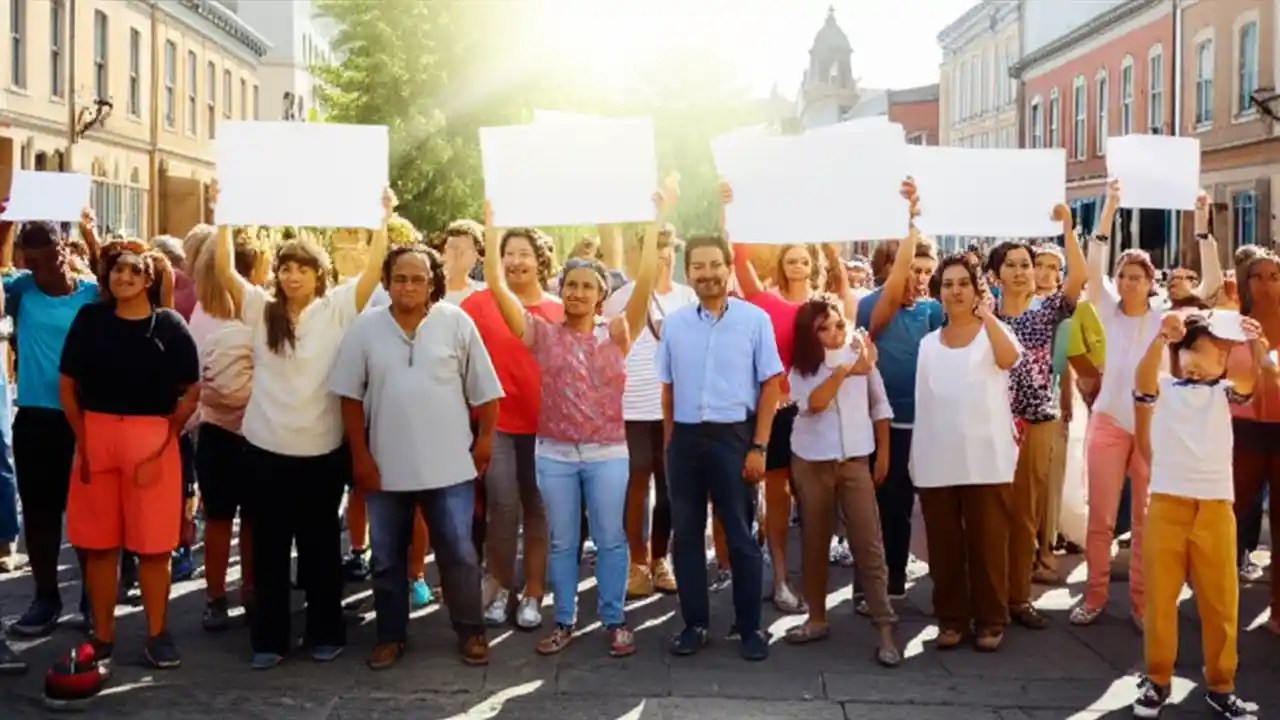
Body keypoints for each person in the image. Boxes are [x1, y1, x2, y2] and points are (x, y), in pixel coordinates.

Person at [209, 184, 393, 669]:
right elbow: (225, 271)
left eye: (302, 268)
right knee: (268, 552)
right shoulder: (260, 310)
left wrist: (382, 219)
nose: (292, 276)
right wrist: (222, 214)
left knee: (319, 553)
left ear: (319, 275)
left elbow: (374, 270)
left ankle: (324, 633)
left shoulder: (336, 309)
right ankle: (269, 640)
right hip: (265, 450)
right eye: (286, 268)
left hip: (321, 453)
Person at [485, 184, 672, 656]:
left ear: (601, 295)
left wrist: (655, 223)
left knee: (611, 540)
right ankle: (564, 621)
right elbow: (498, 288)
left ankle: (614, 620)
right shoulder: (543, 335)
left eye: (588, 286)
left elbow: (646, 280)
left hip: (608, 453)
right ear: (560, 290)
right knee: (563, 542)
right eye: (571, 285)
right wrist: (493, 232)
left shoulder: (618, 333)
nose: (578, 292)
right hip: (556, 456)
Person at [331, 243, 502, 670]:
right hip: (386, 468)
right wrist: (361, 457)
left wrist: (484, 441)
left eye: (418, 278)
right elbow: (349, 397)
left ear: (433, 283)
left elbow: (486, 389)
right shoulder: (366, 328)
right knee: (387, 557)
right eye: (400, 278)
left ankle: (471, 631)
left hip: (449, 467)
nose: (409, 285)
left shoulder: (456, 322)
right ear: (387, 282)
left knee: (458, 554)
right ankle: (390, 636)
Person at [1072, 183, 1220, 628]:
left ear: (1151, 282)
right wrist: (1109, 210)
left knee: (1146, 520)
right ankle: (1094, 594)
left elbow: (1211, 285)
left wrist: (1202, 226)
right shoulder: (1104, 309)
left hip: (1153, 429)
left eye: (1137, 276)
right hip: (1109, 423)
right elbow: (1093, 262)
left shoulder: (1166, 316)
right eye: (1123, 276)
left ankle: (1141, 602)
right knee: (1099, 517)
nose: (1127, 282)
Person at [57, 239, 197, 678]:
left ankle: (157, 633)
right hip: (96, 434)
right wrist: (83, 440)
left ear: (149, 279)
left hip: (151, 439)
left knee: (155, 547)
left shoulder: (170, 326)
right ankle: (102, 635)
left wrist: (167, 435)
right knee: (99, 546)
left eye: (134, 272)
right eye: (117, 271)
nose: (124, 278)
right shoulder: (90, 319)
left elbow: (191, 390)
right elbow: (67, 384)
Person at [658, 231, 784, 662]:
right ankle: (694, 623)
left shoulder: (754, 321)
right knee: (687, 536)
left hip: (735, 437)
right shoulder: (674, 325)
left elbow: (771, 386)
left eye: (715, 264)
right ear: (687, 271)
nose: (707, 273)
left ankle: (749, 627)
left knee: (740, 535)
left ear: (728, 268)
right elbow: (668, 389)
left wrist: (759, 447)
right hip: (686, 440)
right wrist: (670, 443)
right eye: (698, 266)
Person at [1131, 310, 1262, 720]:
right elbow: (1142, 383)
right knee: (1161, 600)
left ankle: (1221, 686)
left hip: (1216, 507)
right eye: (1194, 350)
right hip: (1168, 503)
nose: (1202, 360)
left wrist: (1253, 343)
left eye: (1215, 354)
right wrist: (1160, 339)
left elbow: (1248, 384)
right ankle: (1157, 680)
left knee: (1221, 602)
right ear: (1181, 354)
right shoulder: (1165, 387)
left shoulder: (1224, 392)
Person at [912, 254, 1022, 652]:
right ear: (938, 292)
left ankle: (991, 620)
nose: (955, 291)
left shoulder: (992, 334)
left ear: (976, 289)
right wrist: (916, 458)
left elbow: (1010, 359)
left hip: (986, 459)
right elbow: (923, 403)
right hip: (937, 459)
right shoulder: (927, 345)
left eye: (963, 283)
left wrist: (989, 317)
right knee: (944, 547)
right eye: (948, 284)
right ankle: (951, 619)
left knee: (988, 545)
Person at [783, 297, 900, 666]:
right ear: (810, 334)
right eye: (824, 327)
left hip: (855, 460)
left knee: (869, 543)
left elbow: (879, 406)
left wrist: (883, 453)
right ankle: (816, 617)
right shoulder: (802, 370)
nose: (834, 333)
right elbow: (814, 404)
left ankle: (885, 627)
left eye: (837, 324)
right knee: (814, 540)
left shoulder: (861, 356)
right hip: (812, 461)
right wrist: (843, 371)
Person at [3, 217, 101, 637]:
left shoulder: (93, 295)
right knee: (40, 516)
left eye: (49, 255)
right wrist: (6, 225)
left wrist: (95, 240)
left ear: (64, 249)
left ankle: (92, 601)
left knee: (86, 516)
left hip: (83, 420)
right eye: (32, 259)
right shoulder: (21, 290)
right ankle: (45, 598)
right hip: (35, 418)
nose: (41, 267)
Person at [989, 206, 1085, 631]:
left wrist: (1067, 228)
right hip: (990, 423)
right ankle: (989, 595)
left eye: (1025, 265)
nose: (1020, 271)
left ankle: (1018, 598)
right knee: (991, 511)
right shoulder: (983, 314)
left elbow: (1078, 279)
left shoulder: (1046, 312)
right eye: (1010, 265)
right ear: (996, 275)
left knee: (1025, 514)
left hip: (1037, 422)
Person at [460, 226, 560, 630]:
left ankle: (534, 592)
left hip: (548, 428)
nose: (516, 261)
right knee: (502, 506)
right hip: (496, 423)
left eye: (524, 253)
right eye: (509, 253)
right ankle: (499, 586)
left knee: (538, 507)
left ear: (541, 260)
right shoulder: (478, 304)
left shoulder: (558, 309)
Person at [856, 180, 942, 603]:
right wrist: (911, 221)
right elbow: (891, 298)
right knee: (880, 504)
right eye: (913, 269)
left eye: (928, 271)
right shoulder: (872, 305)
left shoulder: (934, 310)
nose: (920, 279)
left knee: (906, 505)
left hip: (921, 424)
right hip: (880, 424)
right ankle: (872, 579)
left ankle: (896, 576)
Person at [602, 223, 695, 598]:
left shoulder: (688, 296)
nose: (661, 255)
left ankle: (660, 558)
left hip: (675, 407)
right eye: (654, 247)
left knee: (670, 484)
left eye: (668, 247)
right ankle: (636, 563)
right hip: (630, 405)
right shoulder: (619, 297)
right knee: (637, 481)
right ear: (638, 253)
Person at [187, 223, 266, 631]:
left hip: (215, 430)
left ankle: (216, 596)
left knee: (218, 519)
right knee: (249, 519)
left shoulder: (201, 316)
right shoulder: (261, 310)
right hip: (252, 432)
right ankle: (248, 590)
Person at [1227, 246, 1280, 635]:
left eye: (1274, 277)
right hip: (1241, 430)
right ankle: (1218, 596)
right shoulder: (1233, 323)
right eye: (1257, 276)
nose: (1264, 284)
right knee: (1229, 514)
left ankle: (1278, 612)